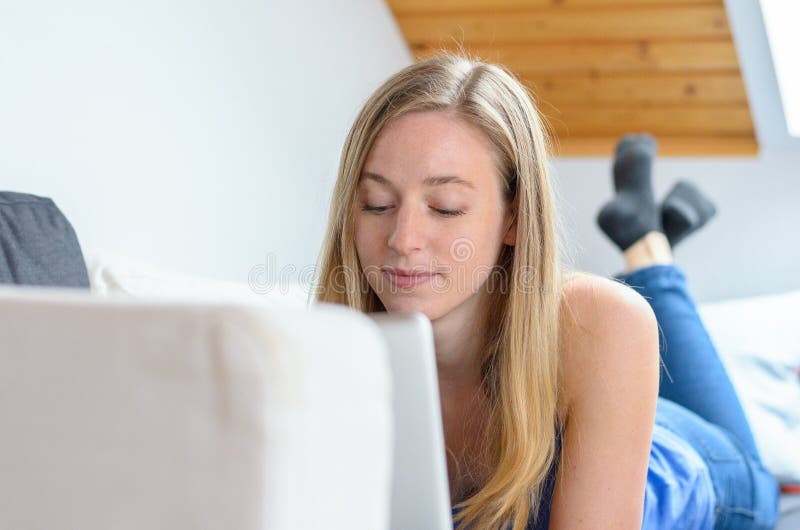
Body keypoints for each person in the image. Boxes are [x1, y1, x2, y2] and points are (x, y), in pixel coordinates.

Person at [314, 54, 779, 529]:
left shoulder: (601, 321)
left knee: (755, 469)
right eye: (378, 203)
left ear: (513, 217)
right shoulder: (328, 354)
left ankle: (648, 247)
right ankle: (649, 237)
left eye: (446, 207)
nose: (401, 239)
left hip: (705, 477)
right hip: (605, 408)